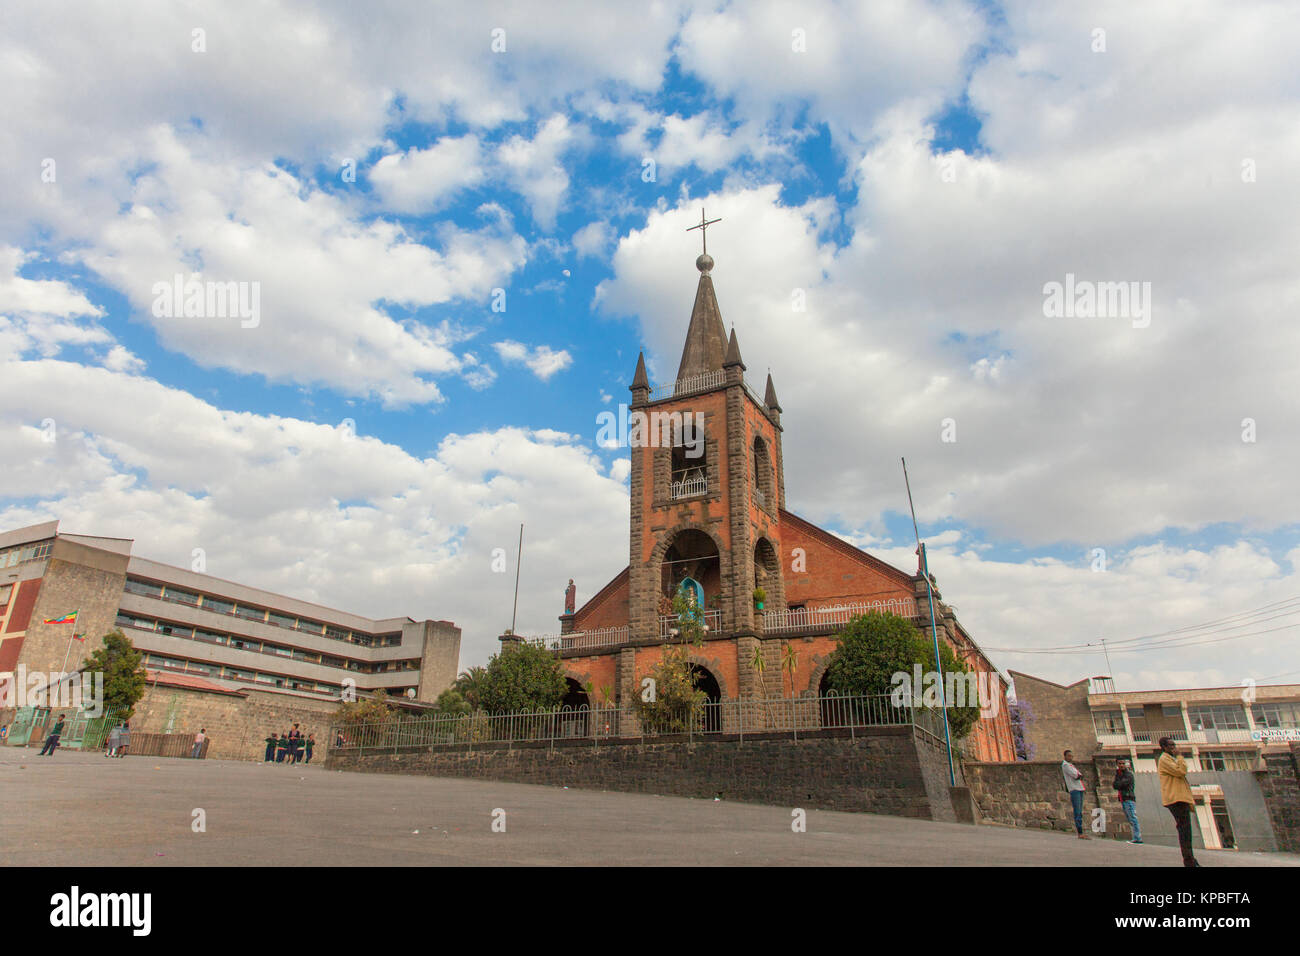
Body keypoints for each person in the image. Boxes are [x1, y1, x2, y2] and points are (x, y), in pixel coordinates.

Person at [1158, 737, 1200, 867]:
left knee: (1185, 830)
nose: (1174, 747)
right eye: (1170, 745)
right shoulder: (1164, 759)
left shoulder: (1170, 759)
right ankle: (1189, 860)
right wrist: (1180, 757)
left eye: (1174, 745)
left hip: (1180, 798)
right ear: (1164, 747)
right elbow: (1181, 771)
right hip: (1176, 799)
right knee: (1184, 830)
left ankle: (1190, 858)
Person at [1113, 758, 1142, 844]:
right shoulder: (1118, 775)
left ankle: (1137, 838)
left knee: (1133, 818)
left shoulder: (1128, 774)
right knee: (1130, 818)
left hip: (1129, 798)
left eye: (1123, 763)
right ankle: (1136, 837)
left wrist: (1118, 783)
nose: (1121, 765)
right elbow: (1115, 785)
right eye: (1119, 763)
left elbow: (1121, 784)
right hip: (1124, 798)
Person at [1062, 749, 1089, 839]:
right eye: (1069, 756)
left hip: (1079, 788)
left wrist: (1079, 776)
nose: (1071, 757)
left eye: (1071, 756)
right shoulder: (1066, 765)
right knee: (1077, 811)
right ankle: (1080, 832)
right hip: (1074, 789)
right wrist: (1079, 776)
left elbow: (1080, 775)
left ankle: (1081, 831)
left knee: (1080, 811)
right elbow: (1077, 775)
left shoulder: (1071, 765)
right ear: (1065, 756)